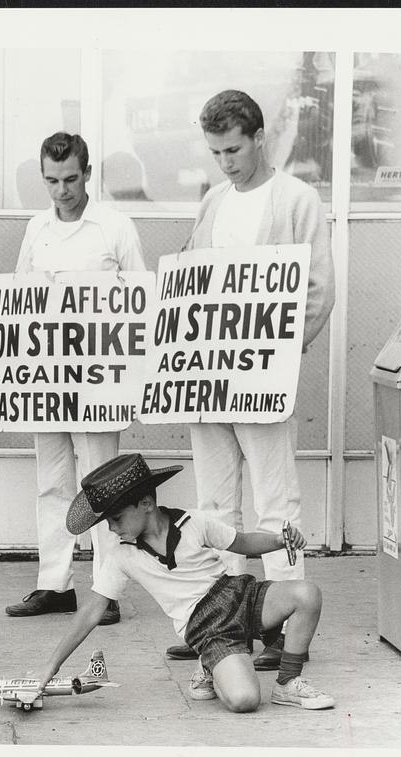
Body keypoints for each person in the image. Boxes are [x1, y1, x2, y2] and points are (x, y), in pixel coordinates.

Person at [165, 89, 335, 668]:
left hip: (262, 378)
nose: (226, 162)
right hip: (208, 380)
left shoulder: (297, 199)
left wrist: (282, 356)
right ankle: (223, 626)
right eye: (216, 152)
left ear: (260, 138)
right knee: (215, 505)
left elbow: (315, 288)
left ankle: (284, 624)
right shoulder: (213, 199)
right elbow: (192, 270)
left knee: (275, 502)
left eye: (234, 149)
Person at [0, 132, 146, 622]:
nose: (62, 191)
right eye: (51, 181)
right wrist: (2, 372)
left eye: (70, 179)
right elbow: (18, 305)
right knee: (52, 482)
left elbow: (141, 301)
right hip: (46, 378)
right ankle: (54, 584)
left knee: (103, 484)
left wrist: (137, 377)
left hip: (99, 377)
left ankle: (106, 591)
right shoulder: (37, 229)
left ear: (88, 173)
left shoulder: (115, 227)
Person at [34, 453, 335, 713]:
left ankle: (287, 683)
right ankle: (209, 664)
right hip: (207, 628)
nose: (111, 528)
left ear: (146, 503)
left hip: (239, 595)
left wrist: (279, 540)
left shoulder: (193, 521)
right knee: (245, 699)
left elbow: (242, 542)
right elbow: (91, 612)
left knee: (307, 594)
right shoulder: (120, 556)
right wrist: (51, 666)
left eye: (116, 518)